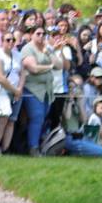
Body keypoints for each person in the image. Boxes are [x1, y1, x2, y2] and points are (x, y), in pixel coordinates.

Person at [18, 24, 58, 156]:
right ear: (31, 35)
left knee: (43, 118)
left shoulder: (46, 49)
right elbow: (33, 68)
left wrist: (48, 52)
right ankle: (33, 148)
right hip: (32, 89)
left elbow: (60, 65)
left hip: (47, 90)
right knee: (37, 117)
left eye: (43, 34)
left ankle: (38, 145)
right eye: (38, 34)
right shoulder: (27, 49)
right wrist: (49, 66)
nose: (41, 37)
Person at [0, 32, 22, 154]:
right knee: (2, 119)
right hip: (3, 91)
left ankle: (6, 148)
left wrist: (20, 89)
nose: (11, 42)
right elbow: (0, 78)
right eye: (8, 40)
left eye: (13, 40)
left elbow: (22, 73)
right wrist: (16, 90)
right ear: (2, 41)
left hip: (17, 91)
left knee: (12, 120)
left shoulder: (18, 55)